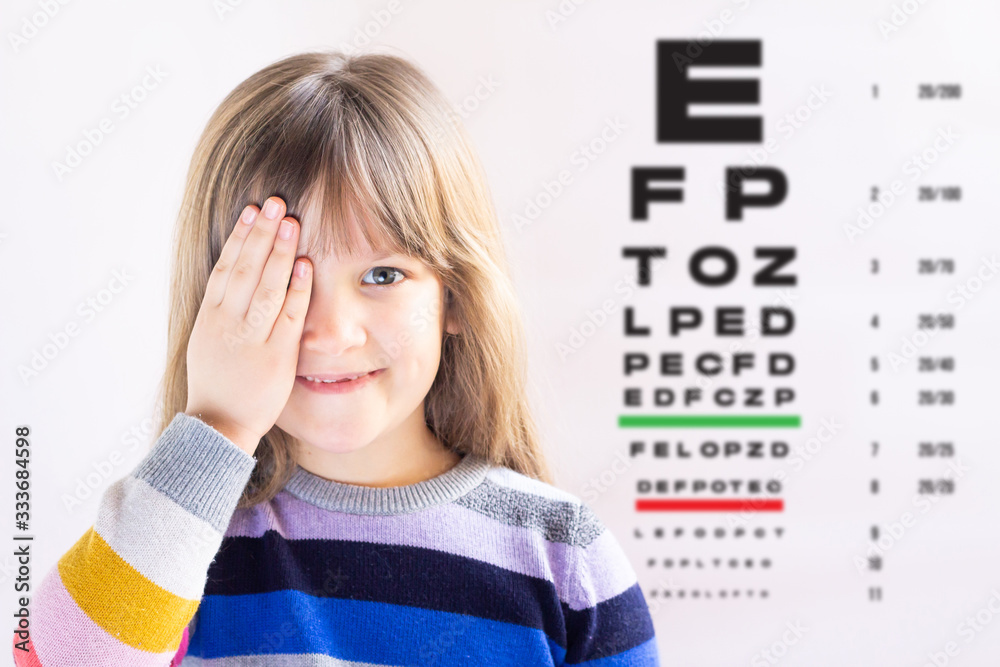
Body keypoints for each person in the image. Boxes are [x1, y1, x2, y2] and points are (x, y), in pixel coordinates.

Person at [13, 50, 660, 666]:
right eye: (285, 280)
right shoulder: (176, 545)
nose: (331, 332)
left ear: (456, 293)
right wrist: (220, 422)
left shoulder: (565, 559)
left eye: (382, 275)